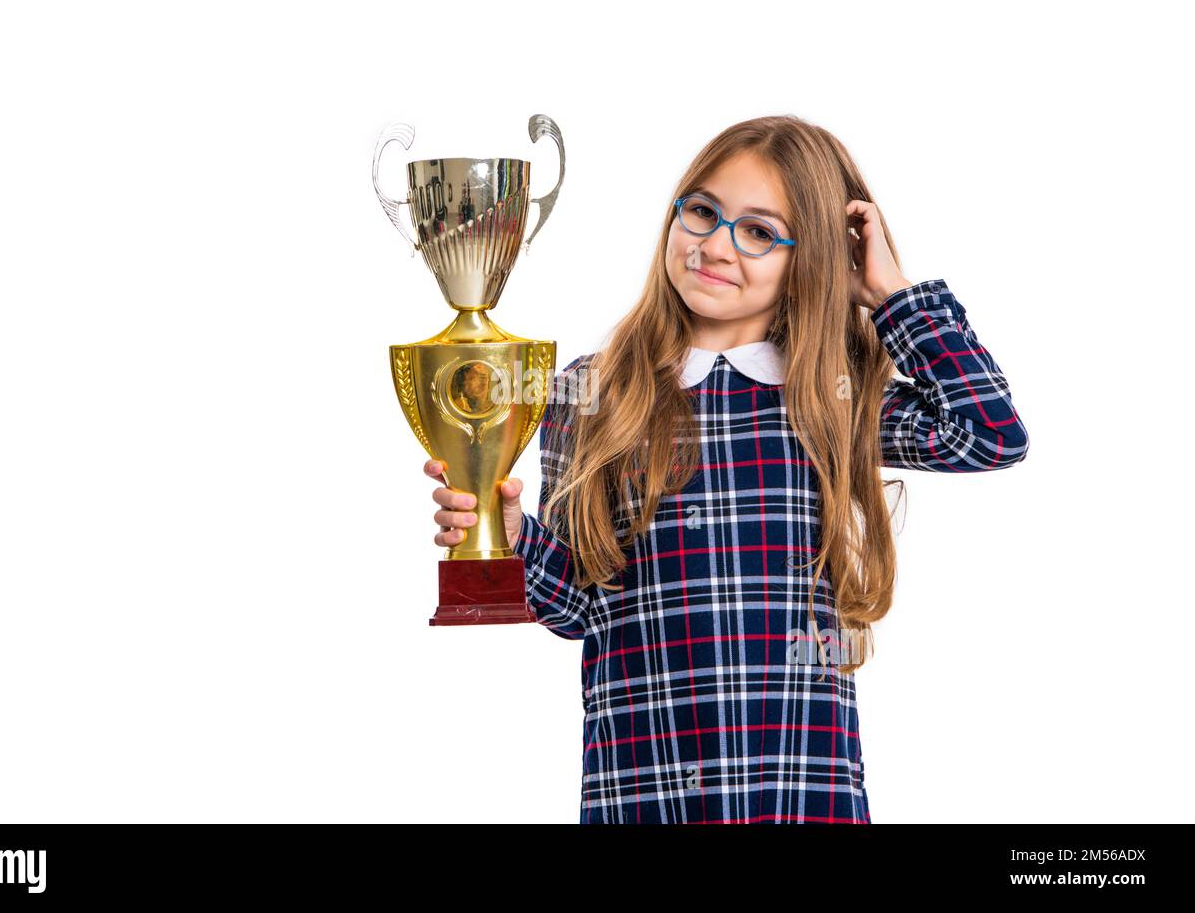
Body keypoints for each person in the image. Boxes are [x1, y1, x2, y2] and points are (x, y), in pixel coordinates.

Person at [423, 115, 1029, 823]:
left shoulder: (828, 395)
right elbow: (581, 608)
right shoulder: (587, 393)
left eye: (760, 232)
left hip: (803, 795)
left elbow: (990, 433)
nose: (715, 245)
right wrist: (514, 533)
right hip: (641, 791)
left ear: (815, 260)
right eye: (704, 212)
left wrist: (892, 292)